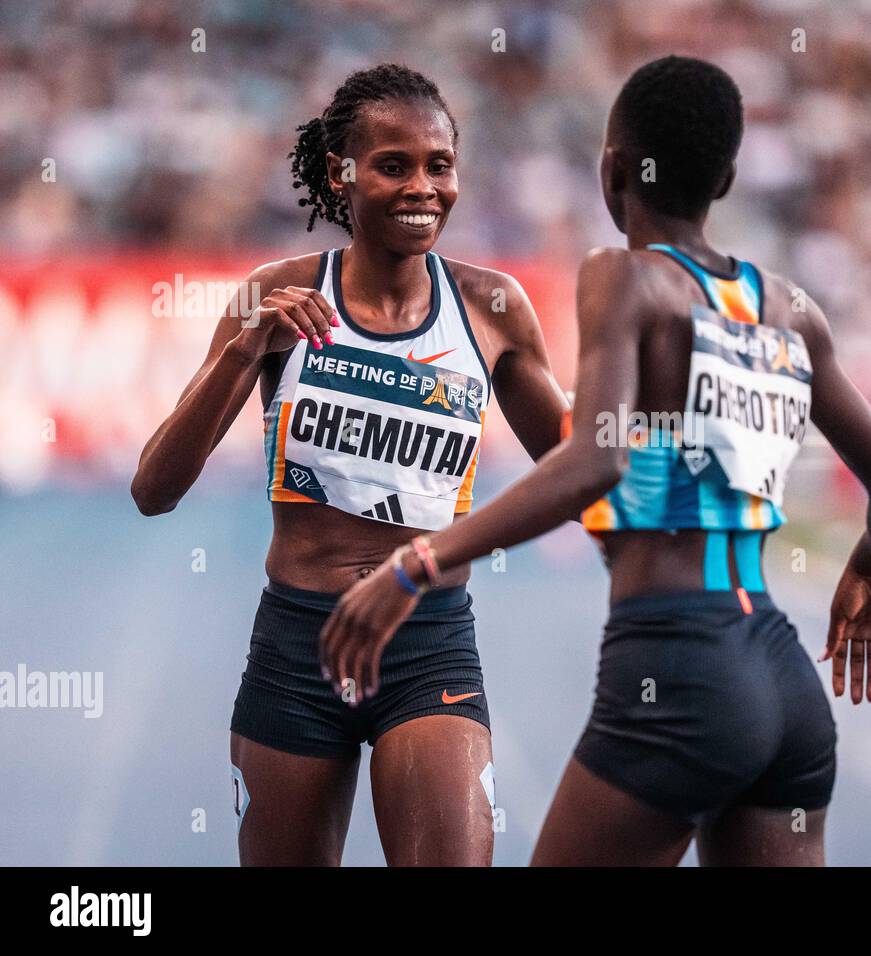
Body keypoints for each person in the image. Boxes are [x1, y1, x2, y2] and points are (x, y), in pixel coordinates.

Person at [319, 55, 871, 866]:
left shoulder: (626, 280)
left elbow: (595, 462)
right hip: (786, 685)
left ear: (612, 173)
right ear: (728, 178)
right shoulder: (792, 311)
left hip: (680, 669)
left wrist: (415, 565)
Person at [131, 64, 568, 865]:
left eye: (440, 165)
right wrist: (242, 353)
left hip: (427, 638)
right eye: (394, 165)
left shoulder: (492, 308)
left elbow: (581, 470)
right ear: (342, 173)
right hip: (299, 643)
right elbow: (153, 491)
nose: (423, 187)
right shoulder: (279, 293)